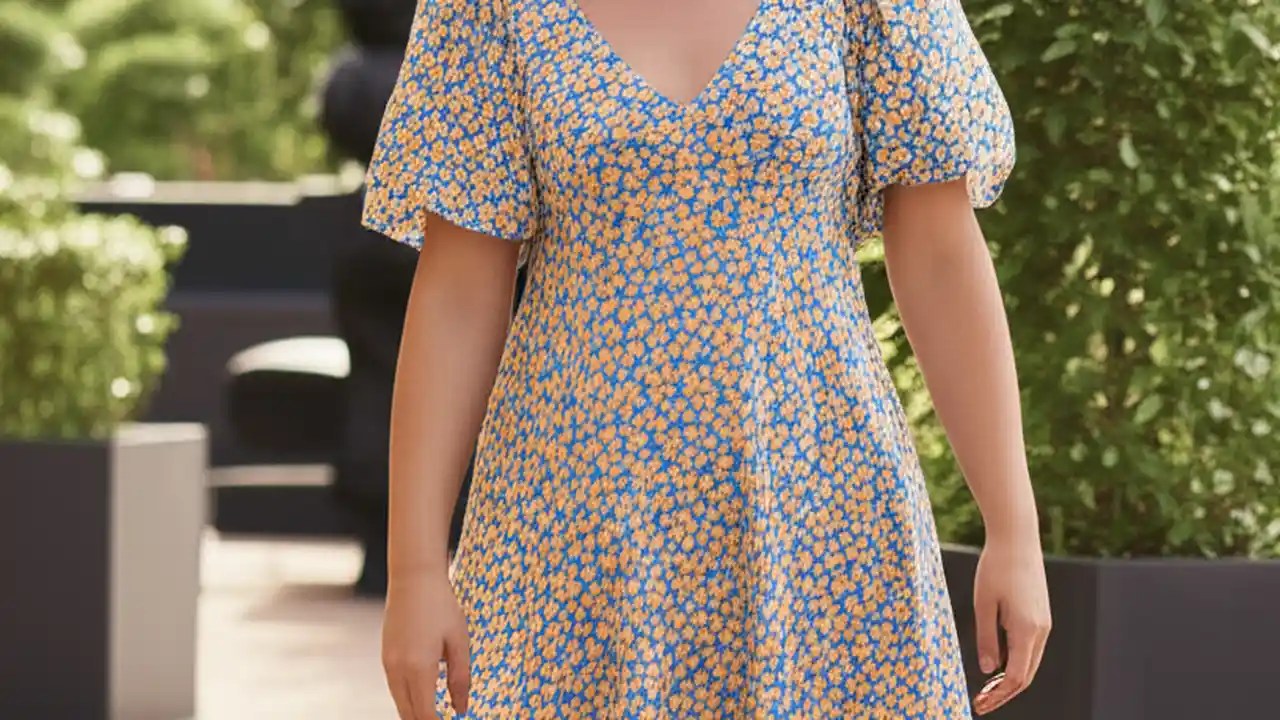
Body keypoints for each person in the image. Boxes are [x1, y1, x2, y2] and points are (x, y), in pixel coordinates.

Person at [361, 0, 1052, 717]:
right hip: (569, 530)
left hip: (821, 517)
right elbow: (456, 294)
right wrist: (413, 570)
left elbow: (941, 256)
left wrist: (1013, 528)